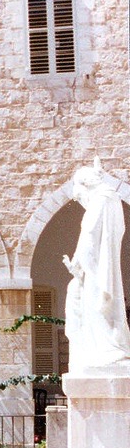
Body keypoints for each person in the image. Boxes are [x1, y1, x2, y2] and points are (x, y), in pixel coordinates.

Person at [62, 158, 130, 373]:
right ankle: (107, 348)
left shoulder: (100, 200)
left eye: (80, 197)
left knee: (95, 307)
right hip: (98, 266)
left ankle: (106, 350)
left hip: (94, 270)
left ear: (86, 185)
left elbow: (89, 236)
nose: (81, 202)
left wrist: (78, 265)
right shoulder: (111, 198)